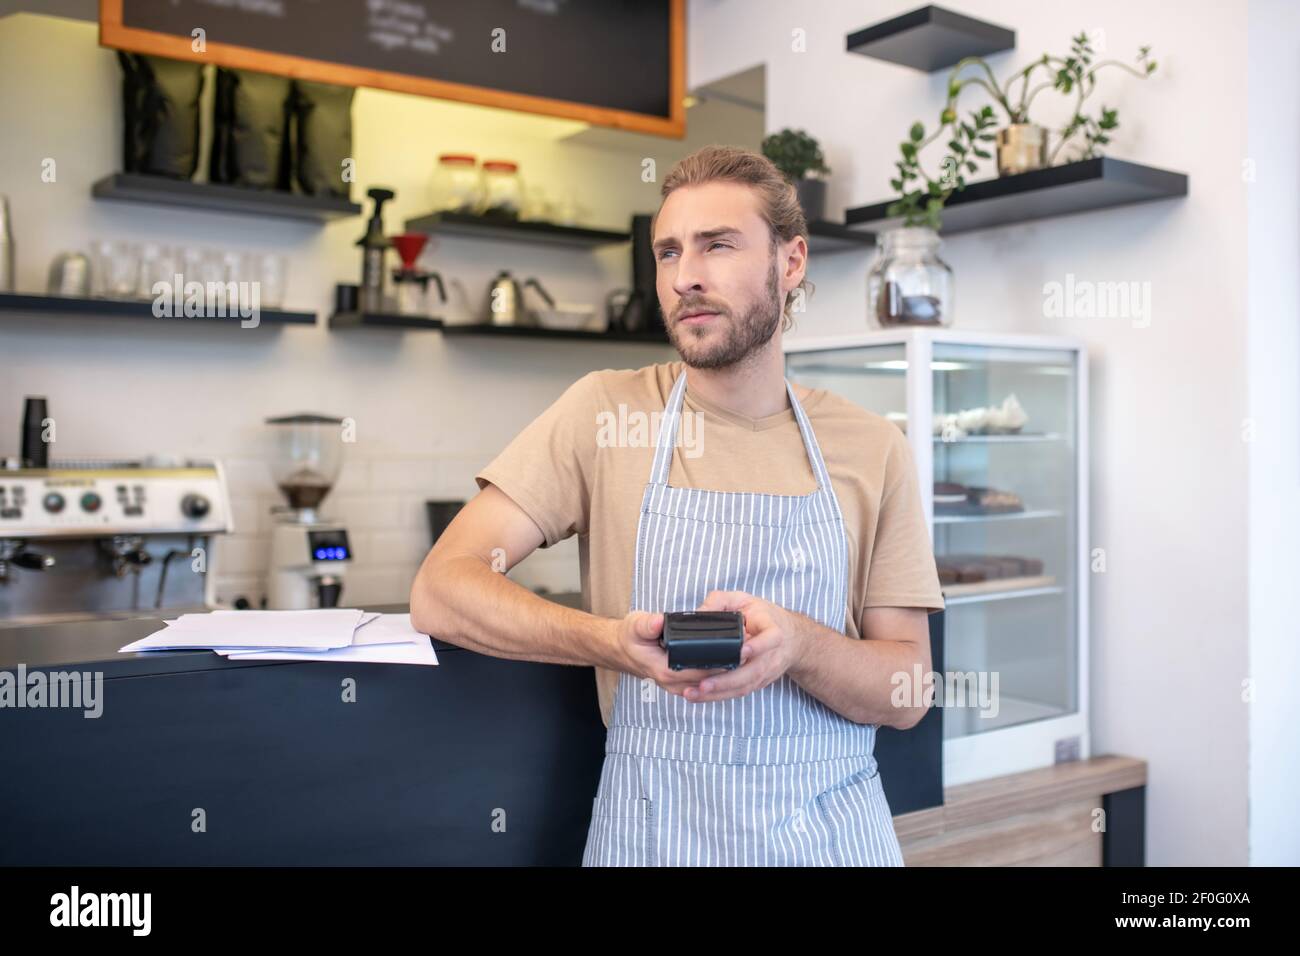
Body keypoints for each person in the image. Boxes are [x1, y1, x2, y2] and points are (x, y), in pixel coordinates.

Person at [410, 144, 944, 866]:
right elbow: (443, 588)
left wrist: (798, 644)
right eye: (667, 253)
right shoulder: (605, 412)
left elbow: (907, 690)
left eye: (717, 245)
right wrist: (606, 643)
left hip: (829, 838)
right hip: (651, 835)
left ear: (791, 263)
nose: (685, 276)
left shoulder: (871, 445)